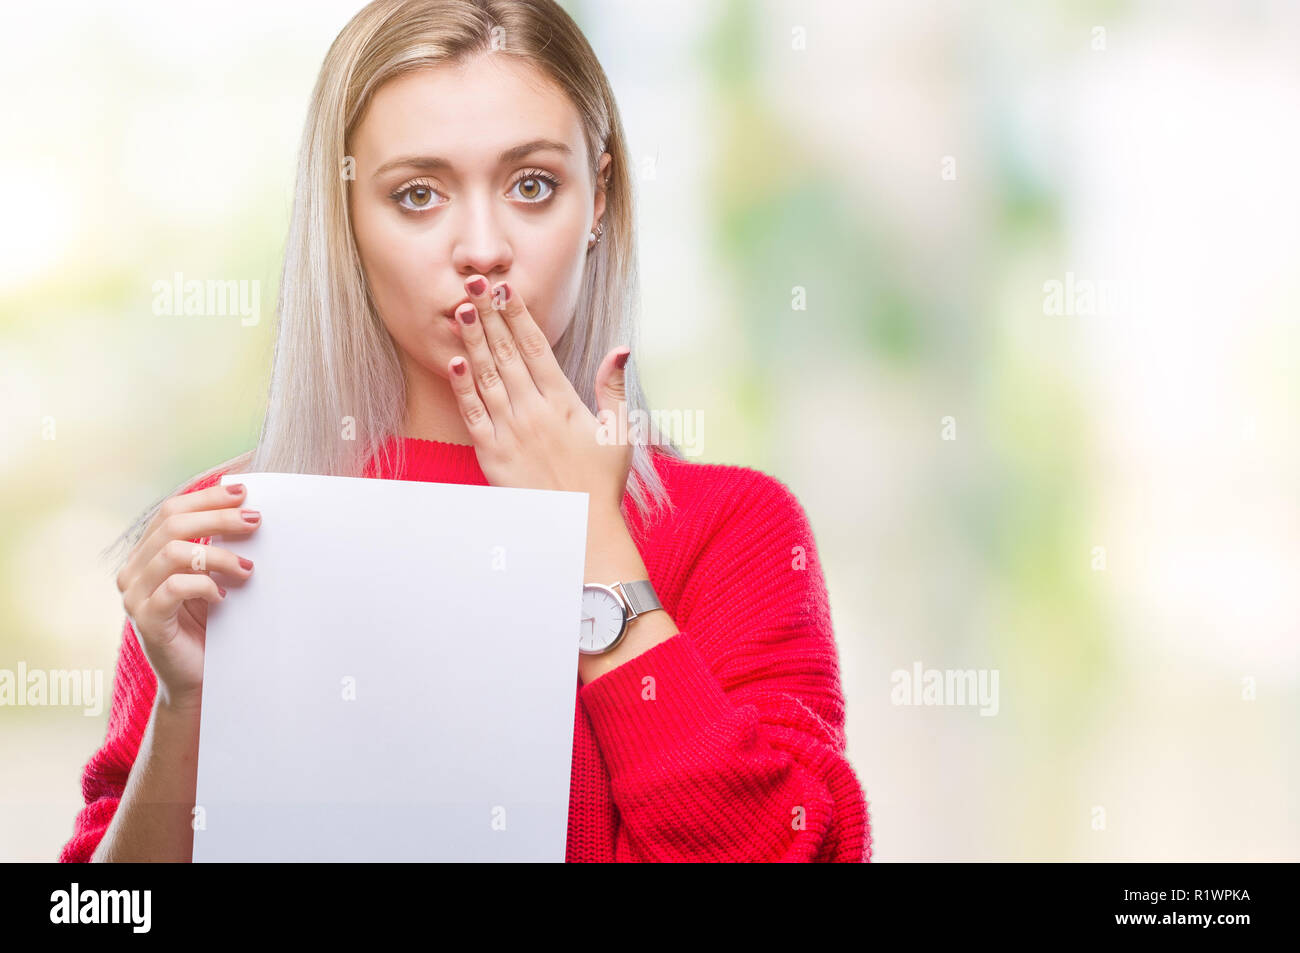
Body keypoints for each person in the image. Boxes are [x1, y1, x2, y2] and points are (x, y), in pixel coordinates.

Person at [61, 0, 872, 863]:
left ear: (600, 197)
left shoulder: (736, 531)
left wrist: (596, 550)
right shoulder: (232, 530)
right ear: (346, 219)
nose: (481, 248)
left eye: (532, 185)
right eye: (418, 194)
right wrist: (188, 711)